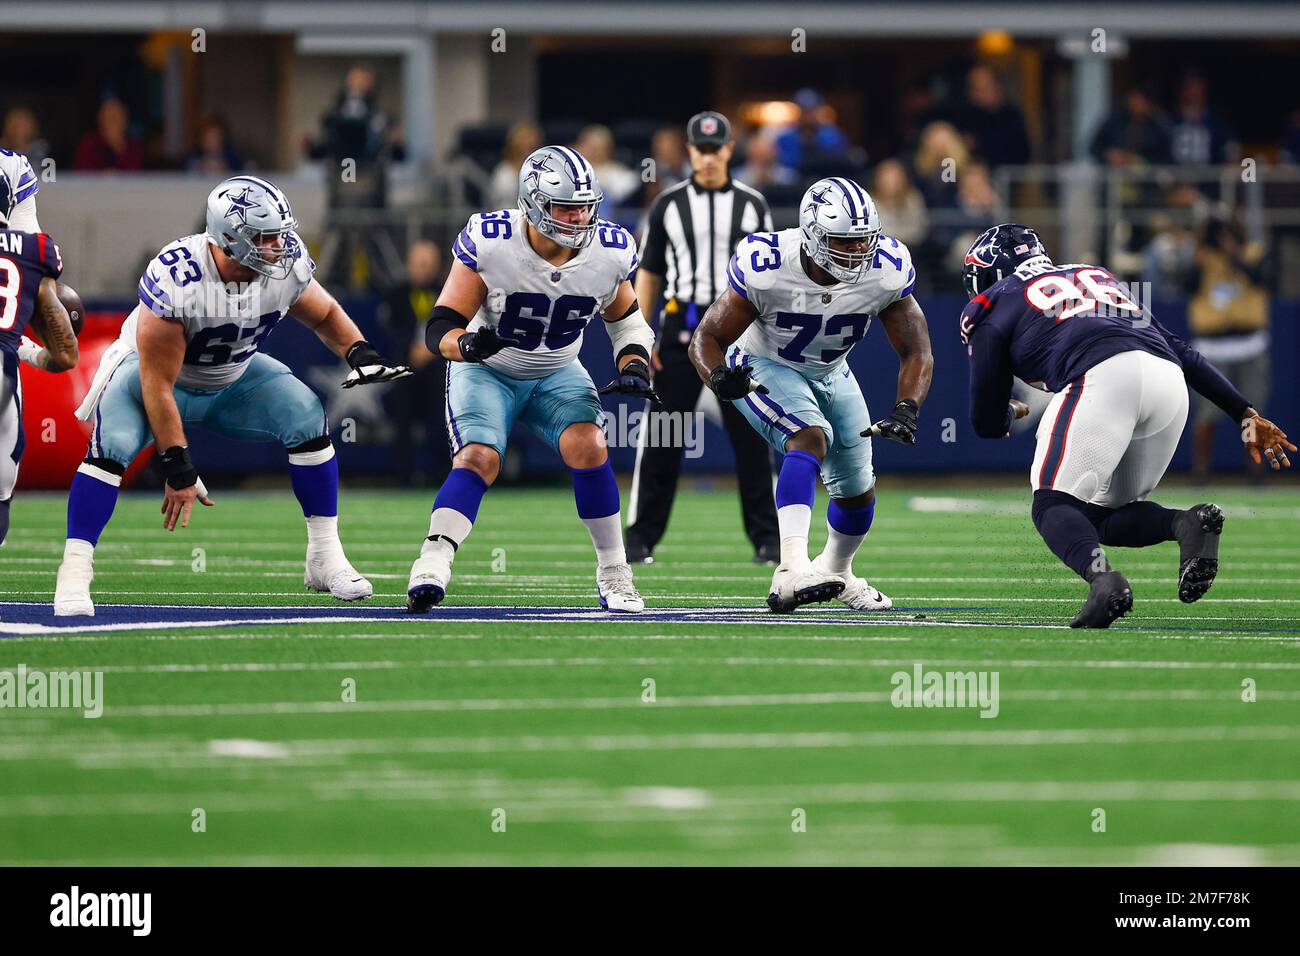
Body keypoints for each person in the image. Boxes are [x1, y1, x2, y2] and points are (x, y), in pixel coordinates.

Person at [52, 176, 412, 616]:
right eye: (264, 238)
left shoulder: (285, 263)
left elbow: (325, 314)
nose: (279, 246)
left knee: (304, 412)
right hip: (152, 380)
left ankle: (324, 555)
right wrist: (178, 466)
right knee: (113, 448)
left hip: (233, 377)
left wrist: (361, 353)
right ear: (230, 238)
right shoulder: (178, 276)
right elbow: (158, 385)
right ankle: (75, 569)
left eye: (280, 234)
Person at [960, 223, 1294, 629]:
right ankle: (1185, 523)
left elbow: (984, 421)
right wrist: (1245, 413)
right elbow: (1182, 351)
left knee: (1053, 504)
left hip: (1102, 378)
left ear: (989, 272)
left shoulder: (994, 301)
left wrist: (1008, 413)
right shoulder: (1094, 275)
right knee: (1096, 516)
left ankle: (1104, 581)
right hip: (1168, 385)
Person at [410, 145, 655, 613]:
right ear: (533, 202)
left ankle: (614, 572)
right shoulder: (493, 240)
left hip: (557, 367)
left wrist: (633, 364)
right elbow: (439, 326)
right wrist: (465, 344)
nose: (580, 217)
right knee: (480, 458)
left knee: (590, 446)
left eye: (586, 206)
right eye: (567, 206)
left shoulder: (610, 249)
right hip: (489, 370)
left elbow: (627, 321)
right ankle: (434, 559)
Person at [689, 177, 934, 613]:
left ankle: (837, 572)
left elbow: (917, 350)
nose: (858, 253)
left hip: (832, 370)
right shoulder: (767, 264)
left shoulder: (887, 267)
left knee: (858, 489)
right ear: (813, 234)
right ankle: (791, 569)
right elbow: (705, 338)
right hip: (764, 364)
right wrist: (718, 377)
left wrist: (906, 407)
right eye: (845, 241)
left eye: (864, 242)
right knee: (809, 438)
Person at [626, 111, 781, 565]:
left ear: (729, 150)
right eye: (701, 149)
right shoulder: (667, 205)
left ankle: (768, 538)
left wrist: (767, 336)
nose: (709, 157)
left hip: (737, 338)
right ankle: (641, 537)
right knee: (661, 437)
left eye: (716, 149)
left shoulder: (753, 204)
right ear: (689, 151)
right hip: (679, 333)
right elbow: (649, 271)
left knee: (754, 438)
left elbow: (769, 273)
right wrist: (642, 332)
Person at [0, 169, 80, 547]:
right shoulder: (35, 251)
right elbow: (66, 357)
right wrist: (24, 348)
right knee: (1, 493)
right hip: (3, 376)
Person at [1186, 217, 1271, 481]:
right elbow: (1186, 285)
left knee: (1252, 414)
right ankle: (1200, 469)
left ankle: (1255, 469)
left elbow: (1263, 279)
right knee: (1207, 415)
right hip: (1212, 346)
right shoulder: (1202, 257)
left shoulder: (1253, 253)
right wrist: (1200, 247)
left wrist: (1235, 254)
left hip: (1249, 344)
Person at [379, 240, 448, 485]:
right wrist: (409, 350)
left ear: (437, 265)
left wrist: (430, 350)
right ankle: (403, 475)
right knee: (402, 419)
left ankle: (439, 473)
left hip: (438, 366)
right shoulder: (396, 295)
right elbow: (390, 329)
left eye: (428, 264)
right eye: (419, 264)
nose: (423, 269)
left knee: (440, 419)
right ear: (409, 265)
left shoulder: (448, 291)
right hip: (405, 366)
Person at [954, 65, 1031, 169]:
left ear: (996, 86)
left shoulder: (1012, 116)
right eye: (976, 88)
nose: (980, 92)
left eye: (985, 86)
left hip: (1005, 178)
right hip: (972, 177)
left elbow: (1022, 153)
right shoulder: (964, 116)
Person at [776, 89, 850, 172]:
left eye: (811, 111)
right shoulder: (785, 138)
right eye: (804, 111)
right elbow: (782, 166)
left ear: (818, 110)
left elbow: (842, 162)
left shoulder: (833, 136)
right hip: (795, 182)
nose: (808, 116)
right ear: (798, 111)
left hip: (825, 180)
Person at [73, 96, 144, 171]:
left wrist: (118, 145)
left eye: (116, 117)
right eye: (108, 118)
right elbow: (82, 172)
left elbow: (136, 173)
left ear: (125, 120)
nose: (112, 122)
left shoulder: (134, 146)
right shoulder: (89, 143)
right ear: (100, 120)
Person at [870, 158, 928, 249]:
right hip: (880, 250)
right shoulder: (869, 203)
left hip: (913, 249)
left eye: (895, 178)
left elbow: (920, 228)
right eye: (887, 178)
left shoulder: (913, 199)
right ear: (878, 180)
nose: (892, 183)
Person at [489, 122, 543, 211]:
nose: (530, 143)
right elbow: (502, 205)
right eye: (525, 139)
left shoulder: (543, 171)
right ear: (514, 144)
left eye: (533, 140)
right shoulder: (504, 172)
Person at [733, 134, 798, 190]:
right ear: (750, 155)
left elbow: (793, 186)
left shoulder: (787, 174)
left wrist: (771, 180)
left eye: (766, 152)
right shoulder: (738, 175)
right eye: (758, 153)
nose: (763, 157)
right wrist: (756, 179)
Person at [0, 107, 51, 178]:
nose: (19, 131)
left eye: (23, 126)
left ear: (32, 127)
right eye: (15, 126)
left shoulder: (40, 148)